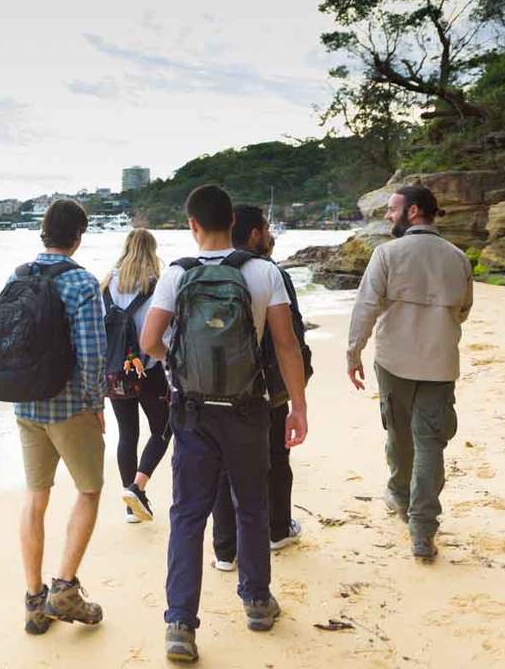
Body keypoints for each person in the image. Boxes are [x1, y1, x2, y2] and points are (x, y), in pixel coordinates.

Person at [139, 185, 309, 664]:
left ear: (192, 224)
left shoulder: (176, 275)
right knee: (251, 505)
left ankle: (179, 625)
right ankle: (256, 602)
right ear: (232, 221)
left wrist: (178, 365)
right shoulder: (263, 272)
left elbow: (150, 340)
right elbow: (286, 345)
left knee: (188, 515)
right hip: (248, 409)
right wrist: (297, 405)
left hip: (192, 411)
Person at [347, 184, 472, 563]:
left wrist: (353, 351)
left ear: (413, 211)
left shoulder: (387, 254)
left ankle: (400, 495)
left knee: (400, 436)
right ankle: (422, 530)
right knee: (430, 444)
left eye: (392, 209)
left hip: (394, 362)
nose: (387, 215)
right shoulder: (458, 257)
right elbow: (463, 310)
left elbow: (366, 306)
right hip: (439, 364)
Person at [12, 199, 107, 635]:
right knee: (88, 490)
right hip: (69, 407)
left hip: (26, 404)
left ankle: (34, 601)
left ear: (43, 233)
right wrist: (96, 404)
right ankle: (64, 589)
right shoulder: (82, 283)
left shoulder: (19, 275)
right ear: (78, 236)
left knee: (36, 497)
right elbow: (91, 354)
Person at [211, 205, 309, 571]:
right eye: (267, 228)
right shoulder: (270, 273)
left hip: (216, 386)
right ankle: (277, 531)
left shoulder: (206, 271)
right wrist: (298, 396)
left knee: (222, 467)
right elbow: (290, 340)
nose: (270, 234)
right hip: (264, 386)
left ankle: (225, 550)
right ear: (254, 234)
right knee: (276, 459)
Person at [99, 228, 171, 524]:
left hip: (115, 372)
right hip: (148, 370)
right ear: (152, 251)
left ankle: (131, 508)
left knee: (127, 433)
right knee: (165, 428)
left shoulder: (106, 285)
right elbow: (164, 332)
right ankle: (136, 487)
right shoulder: (158, 284)